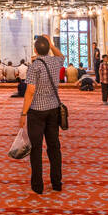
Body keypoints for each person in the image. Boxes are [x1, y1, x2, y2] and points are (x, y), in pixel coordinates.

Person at [19, 35, 65, 195]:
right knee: (54, 147)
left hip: (37, 113)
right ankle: (57, 182)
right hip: (53, 110)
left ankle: (38, 186)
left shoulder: (34, 66)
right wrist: (52, 44)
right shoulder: (55, 62)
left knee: (36, 149)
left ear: (35, 50)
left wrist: (23, 113)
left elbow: (30, 91)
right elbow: (61, 55)